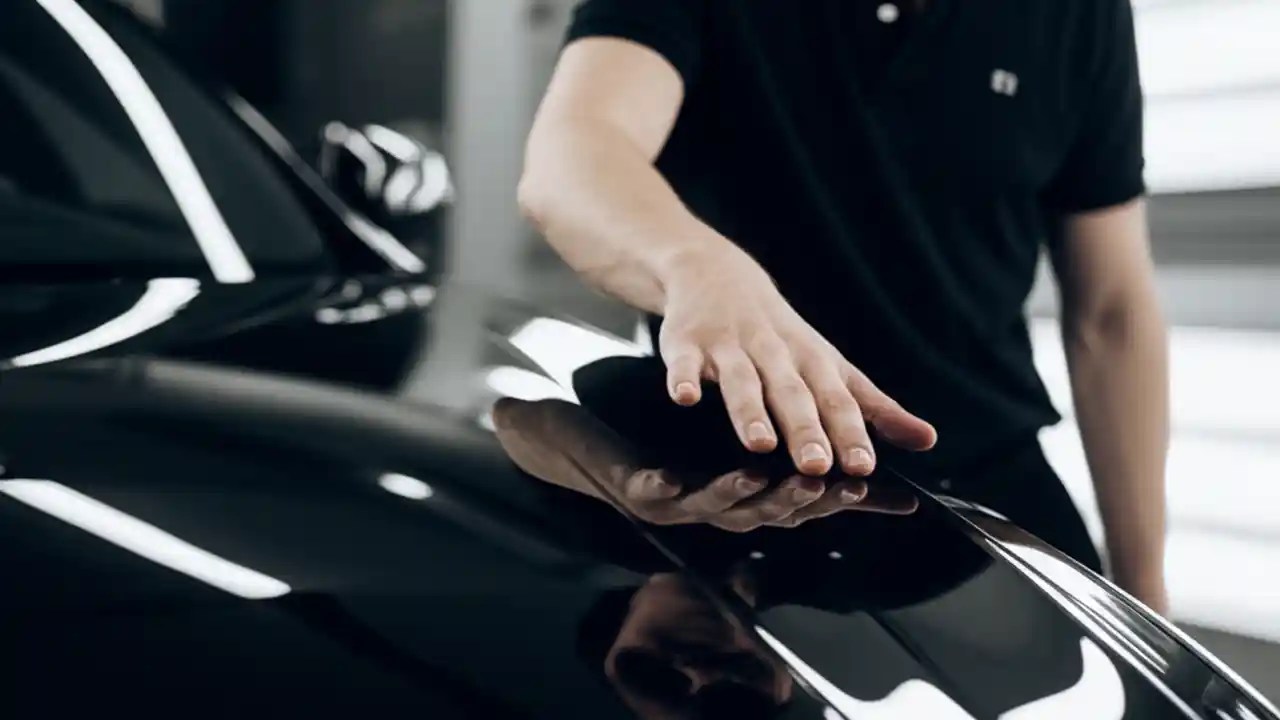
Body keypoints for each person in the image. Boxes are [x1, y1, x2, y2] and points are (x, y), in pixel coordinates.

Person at [519, 0, 1169, 613]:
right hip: (726, 482)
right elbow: (574, 153)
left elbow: (1111, 314)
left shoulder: (1080, 13)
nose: (697, 680)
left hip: (990, 492)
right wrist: (695, 264)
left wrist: (1144, 591)